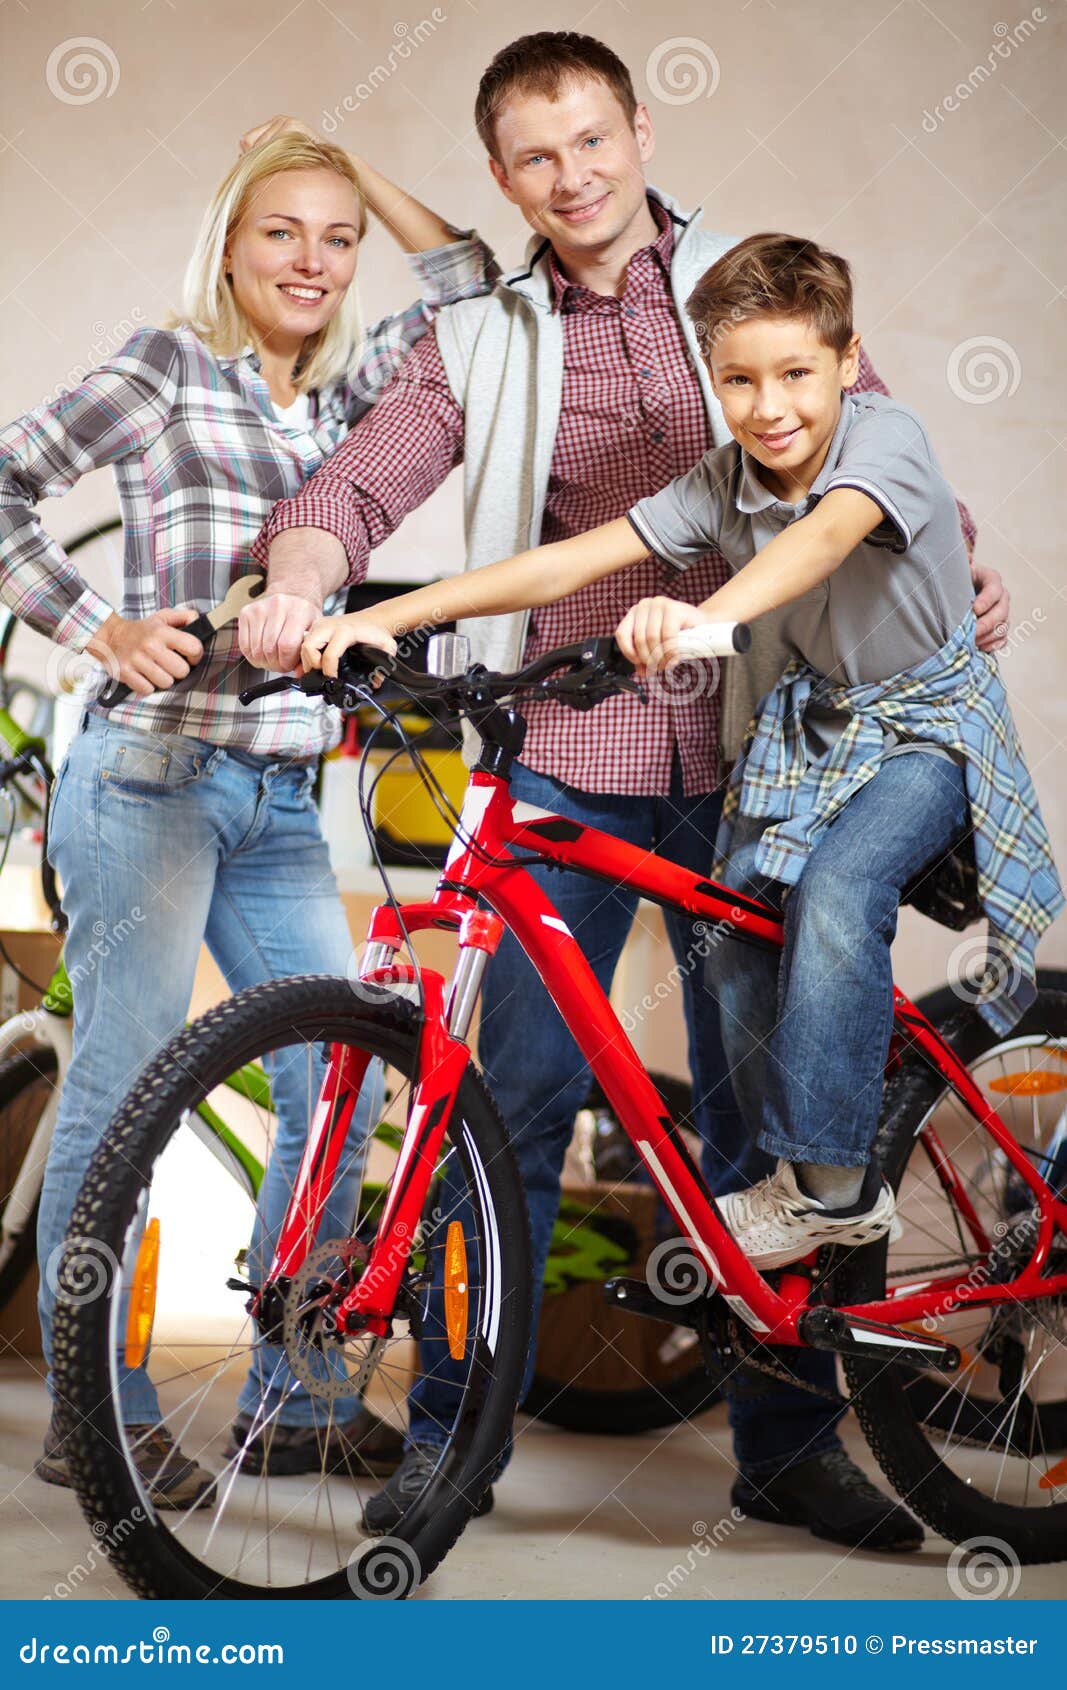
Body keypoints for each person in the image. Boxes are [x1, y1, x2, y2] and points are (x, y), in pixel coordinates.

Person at [243, 35, 1011, 1552]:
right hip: (566, 758)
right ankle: (455, 1437)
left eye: (591, 139)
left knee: (763, 1124)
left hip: (757, 754)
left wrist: (954, 548)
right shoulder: (476, 334)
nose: (572, 176)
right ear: (501, 177)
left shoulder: (735, 276)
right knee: (497, 1109)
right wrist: (301, 582)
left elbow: (853, 428)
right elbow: (354, 488)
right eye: (536, 156)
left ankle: (786, 1447)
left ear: (637, 126)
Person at [306, 229, 1062, 1279]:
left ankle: (830, 1187)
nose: (770, 406)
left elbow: (824, 539)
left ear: (847, 363)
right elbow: (567, 558)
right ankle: (784, 1176)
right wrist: (400, 616)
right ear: (714, 379)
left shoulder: (883, 439)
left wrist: (704, 616)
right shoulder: (721, 478)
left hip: (924, 731)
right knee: (736, 919)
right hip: (816, 732)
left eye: (796, 372)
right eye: (739, 380)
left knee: (837, 897)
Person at [0, 118, 495, 1507]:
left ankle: (293, 1398)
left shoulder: (352, 399)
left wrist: (349, 160)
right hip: (150, 778)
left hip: (283, 790)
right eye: (282, 228)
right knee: (126, 1079)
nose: (315, 259)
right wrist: (99, 626)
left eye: (336, 237)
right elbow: (6, 482)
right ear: (229, 240)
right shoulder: (168, 366)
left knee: (332, 1080)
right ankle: (100, 1400)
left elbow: (467, 284)